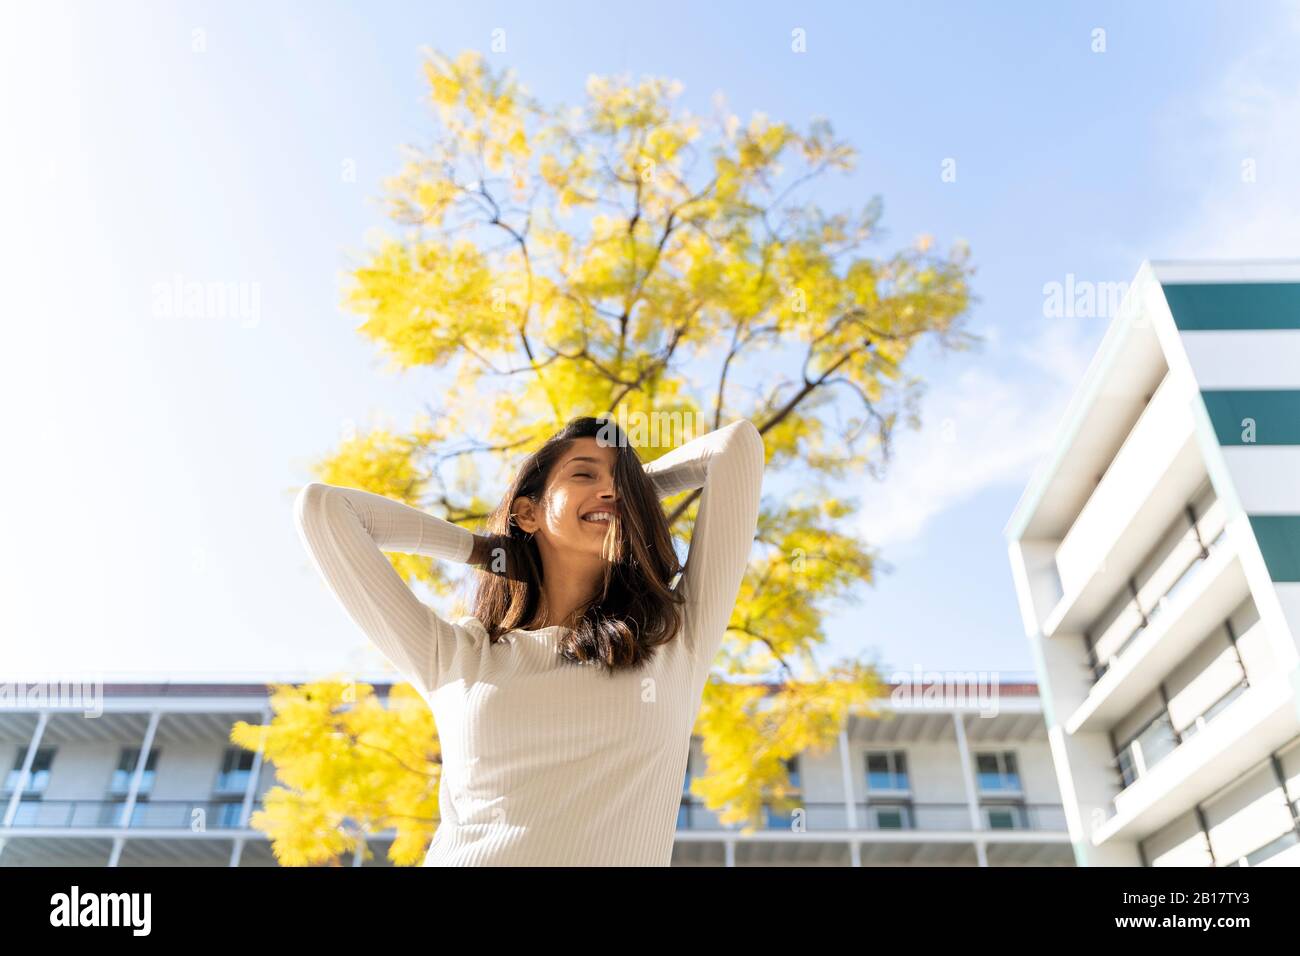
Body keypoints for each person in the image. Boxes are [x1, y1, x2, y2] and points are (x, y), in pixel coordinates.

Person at [293, 415, 765, 865]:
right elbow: (325, 509)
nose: (610, 488)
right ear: (528, 512)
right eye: (584, 473)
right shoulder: (460, 655)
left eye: (623, 482)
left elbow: (735, 446)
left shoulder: (676, 639)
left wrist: (629, 498)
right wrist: (484, 549)